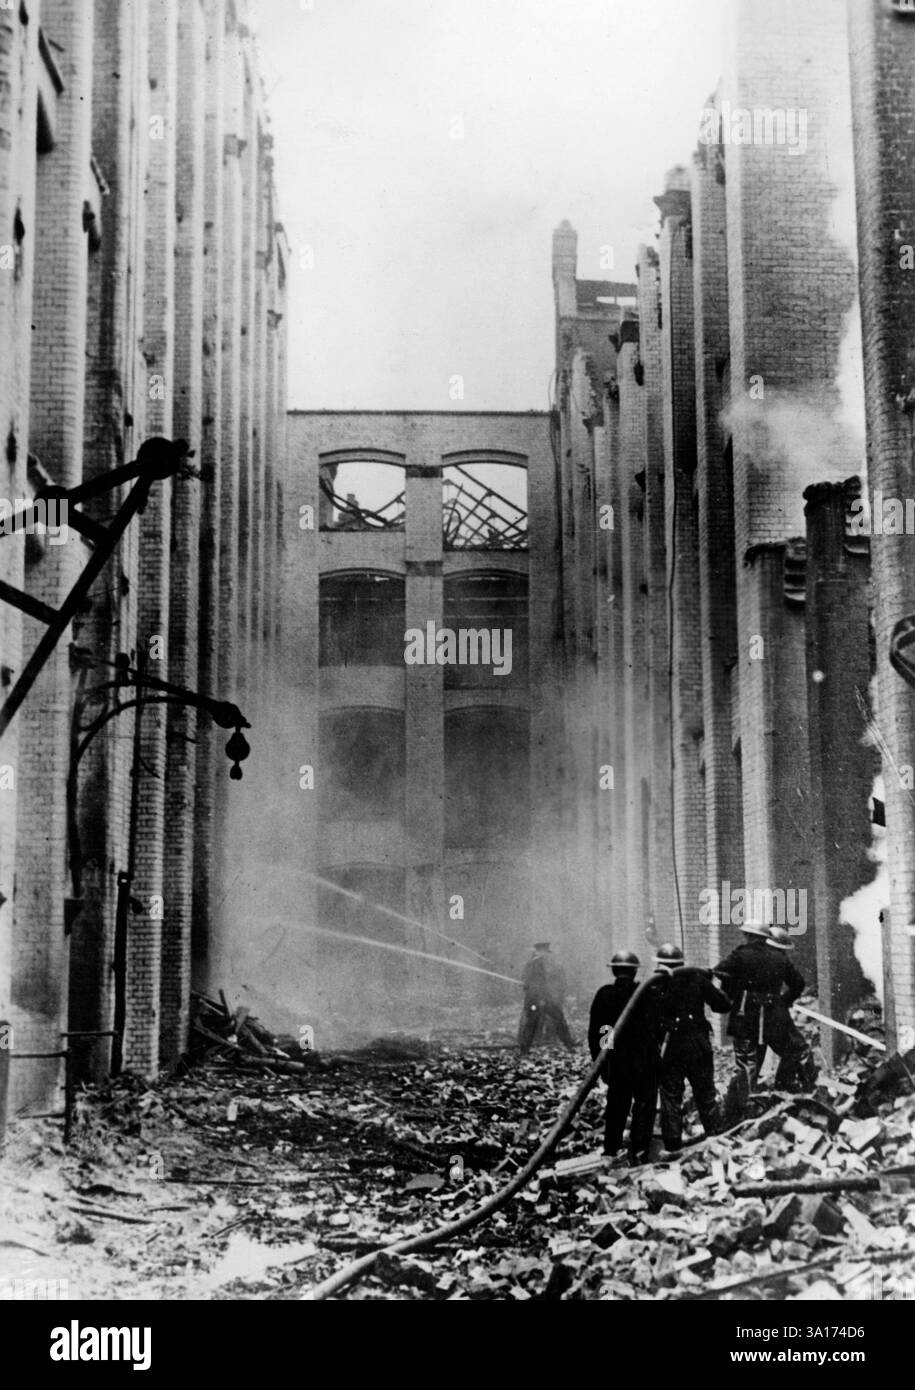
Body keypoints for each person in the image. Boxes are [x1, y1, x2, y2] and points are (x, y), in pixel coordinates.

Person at [713, 921, 815, 1125]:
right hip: (775, 1017)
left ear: (749, 936)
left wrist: (733, 993)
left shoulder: (740, 955)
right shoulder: (779, 957)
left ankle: (743, 1112)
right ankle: (789, 1090)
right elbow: (798, 983)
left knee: (747, 1064)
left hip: (745, 1016)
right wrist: (782, 1002)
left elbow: (720, 971)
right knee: (793, 1050)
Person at [645, 943, 731, 1153]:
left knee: (671, 1095)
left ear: (660, 963)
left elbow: (648, 1020)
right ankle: (717, 1136)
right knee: (706, 1093)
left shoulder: (654, 986)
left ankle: (673, 1145)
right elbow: (723, 1005)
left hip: (670, 1046)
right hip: (698, 1044)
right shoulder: (697, 979)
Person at [588, 951, 659, 1163]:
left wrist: (602, 1063)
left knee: (617, 1106)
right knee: (644, 1107)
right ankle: (639, 1152)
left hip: (618, 1061)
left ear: (614, 970)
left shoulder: (605, 994)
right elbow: (657, 1027)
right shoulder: (646, 992)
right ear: (635, 970)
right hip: (645, 1060)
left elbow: (600, 1032)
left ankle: (611, 1150)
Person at [518, 942, 574, 1054]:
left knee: (538, 1023)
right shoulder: (535, 963)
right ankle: (569, 1046)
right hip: (539, 999)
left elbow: (530, 982)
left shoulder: (535, 963)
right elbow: (533, 982)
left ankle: (524, 1050)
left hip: (544, 998)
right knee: (537, 1023)